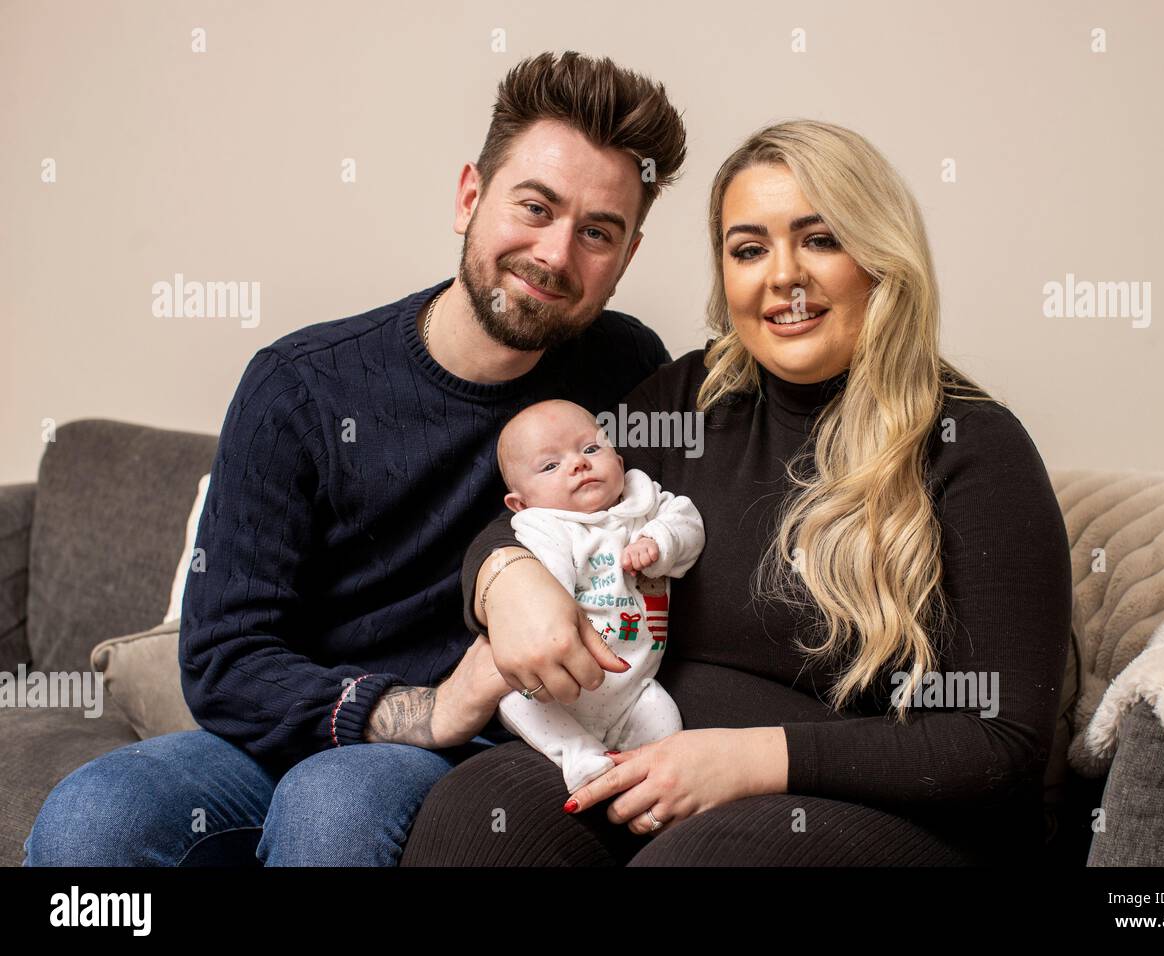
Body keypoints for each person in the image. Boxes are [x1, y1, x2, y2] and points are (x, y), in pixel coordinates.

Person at [22, 51, 687, 867]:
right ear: (469, 197)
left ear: (627, 257)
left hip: (510, 742)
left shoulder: (627, 372)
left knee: (333, 806)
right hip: (299, 732)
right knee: (92, 818)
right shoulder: (300, 387)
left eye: (597, 233)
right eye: (535, 207)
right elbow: (225, 661)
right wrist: (429, 705)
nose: (555, 254)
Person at [397, 119, 1074, 866]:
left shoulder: (972, 445)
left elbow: (1000, 740)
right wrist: (505, 577)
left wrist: (749, 761)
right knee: (479, 816)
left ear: (882, 256)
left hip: (886, 810)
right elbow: (541, 499)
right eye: (749, 250)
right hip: (654, 752)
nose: (782, 276)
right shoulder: (689, 400)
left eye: (820, 239)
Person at [493, 399, 705, 793]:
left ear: (619, 463)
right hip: (558, 689)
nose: (578, 464)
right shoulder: (545, 526)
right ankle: (579, 755)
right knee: (514, 702)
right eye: (550, 465)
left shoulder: (643, 504)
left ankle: (649, 786)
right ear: (520, 503)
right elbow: (544, 586)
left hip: (633, 685)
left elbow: (688, 523)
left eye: (591, 449)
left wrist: (658, 541)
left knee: (663, 721)